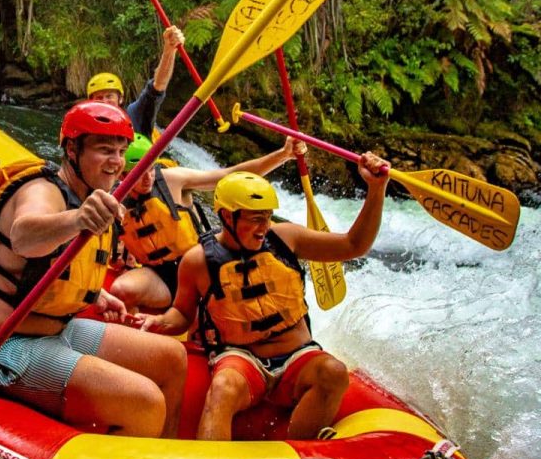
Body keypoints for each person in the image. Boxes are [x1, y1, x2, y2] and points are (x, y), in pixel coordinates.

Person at [0, 102, 187, 437]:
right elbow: (24, 236)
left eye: (121, 151)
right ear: (71, 149)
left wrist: (98, 294)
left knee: (173, 357)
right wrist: (78, 219)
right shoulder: (42, 190)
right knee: (145, 400)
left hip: (57, 330)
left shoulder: (88, 193)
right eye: (104, 150)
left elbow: (56, 270)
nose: (116, 162)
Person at [140, 160, 390, 442]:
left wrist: (376, 189)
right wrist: (157, 322)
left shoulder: (287, 239)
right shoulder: (197, 261)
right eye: (255, 219)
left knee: (333, 372)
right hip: (240, 357)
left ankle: (297, 452)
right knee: (223, 386)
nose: (264, 227)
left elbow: (353, 246)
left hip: (296, 356)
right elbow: (181, 314)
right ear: (226, 216)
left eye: (268, 217)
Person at [110, 134, 309, 313]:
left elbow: (230, 176)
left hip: (203, 267)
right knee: (121, 290)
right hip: (162, 275)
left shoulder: (172, 180)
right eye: (139, 173)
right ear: (122, 176)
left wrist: (283, 155)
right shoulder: (116, 200)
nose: (148, 178)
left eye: (151, 169)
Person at [86, 25, 185, 137]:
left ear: (120, 99)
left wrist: (169, 50)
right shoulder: (86, 129)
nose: (104, 102)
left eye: (109, 96)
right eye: (99, 98)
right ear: (91, 103)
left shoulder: (134, 115)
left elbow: (158, 86)